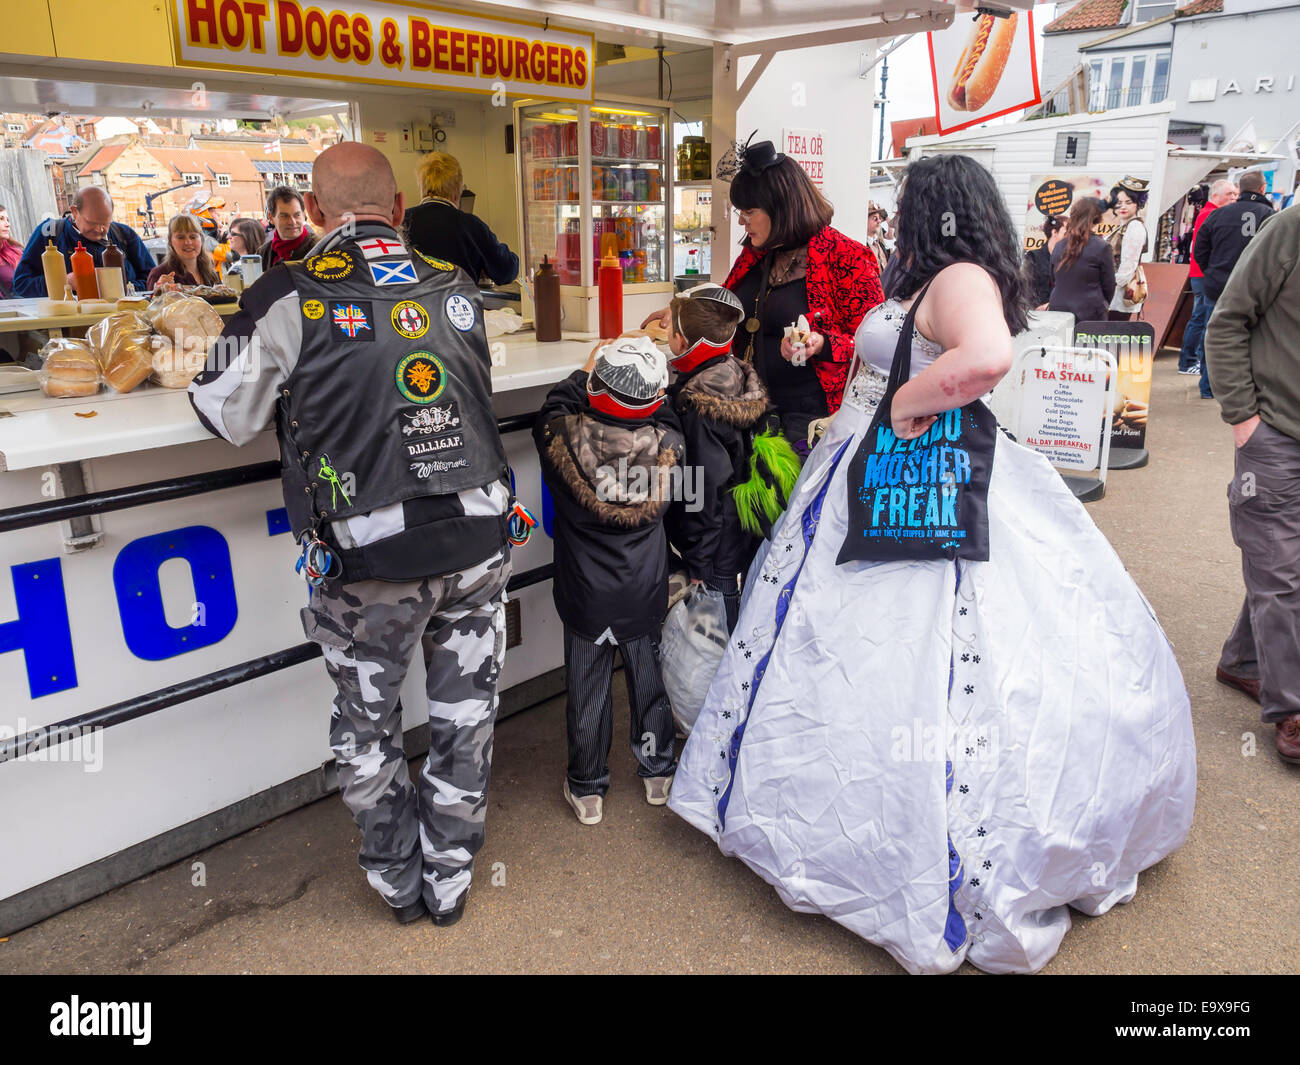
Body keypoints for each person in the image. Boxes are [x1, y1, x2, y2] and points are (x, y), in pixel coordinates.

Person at [668, 153, 1196, 975]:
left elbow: (986, 357)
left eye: (914, 202)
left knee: (922, 665)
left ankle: (917, 847)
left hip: (915, 481)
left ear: (939, 210)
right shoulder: (932, 277)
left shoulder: (957, 279)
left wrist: (902, 408)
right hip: (862, 473)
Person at [189, 142, 512, 927]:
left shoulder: (281, 293)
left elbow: (220, 410)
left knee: (368, 723)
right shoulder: (459, 285)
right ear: (398, 210)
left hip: (368, 559)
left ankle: (399, 881)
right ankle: (452, 876)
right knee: (465, 715)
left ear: (321, 214)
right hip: (479, 540)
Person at [644, 137, 882, 456]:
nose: (741, 221)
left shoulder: (848, 258)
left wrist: (821, 343)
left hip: (809, 421)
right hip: (747, 410)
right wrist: (681, 312)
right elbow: (726, 304)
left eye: (749, 211)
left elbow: (874, 347)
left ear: (781, 209)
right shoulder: (756, 253)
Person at [533, 336, 683, 825]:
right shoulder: (670, 445)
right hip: (643, 593)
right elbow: (670, 414)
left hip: (585, 595)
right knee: (649, 685)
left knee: (588, 689)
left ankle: (588, 787)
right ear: (656, 403)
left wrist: (590, 365)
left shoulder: (560, 433)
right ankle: (657, 771)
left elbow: (557, 399)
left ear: (595, 388)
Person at [1204, 204, 1300, 763]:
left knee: (1280, 566)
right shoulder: (1289, 229)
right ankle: (1291, 707)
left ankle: (1243, 660)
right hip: (1276, 436)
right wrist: (1243, 419)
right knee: (1281, 571)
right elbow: (1227, 320)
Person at [664, 284, 794, 630]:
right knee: (734, 597)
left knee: (716, 619)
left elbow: (703, 486)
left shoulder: (697, 406)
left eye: (671, 332)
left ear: (682, 342)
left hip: (714, 539)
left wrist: (698, 561)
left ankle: (721, 678)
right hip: (742, 521)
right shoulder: (734, 373)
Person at [1194, 170, 1275, 400]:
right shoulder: (1269, 215)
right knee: (1250, 338)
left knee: (1213, 333)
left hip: (1218, 284)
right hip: (1254, 287)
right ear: (1262, 189)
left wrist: (1211, 271)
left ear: (1240, 190)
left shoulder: (1218, 215)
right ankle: (1242, 390)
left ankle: (1207, 385)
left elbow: (1199, 248)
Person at [10, 187, 154, 297]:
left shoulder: (124, 234)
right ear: (74, 211)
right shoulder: (48, 234)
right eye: (92, 223)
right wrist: (64, 283)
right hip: (69, 325)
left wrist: (123, 288)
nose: (100, 229)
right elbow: (21, 284)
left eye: (106, 223)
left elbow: (152, 279)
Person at [404, 152, 518, 285]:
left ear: (421, 186)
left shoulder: (401, 222)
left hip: (411, 304)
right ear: (458, 188)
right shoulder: (471, 226)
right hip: (459, 303)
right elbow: (506, 271)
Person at [1177, 179, 1238, 376]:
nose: (1234, 198)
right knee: (1202, 319)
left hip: (1202, 274)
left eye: (1235, 194)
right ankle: (1190, 361)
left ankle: (1188, 361)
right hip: (1205, 275)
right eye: (1230, 194)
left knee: (1200, 318)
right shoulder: (1211, 214)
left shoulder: (1207, 213)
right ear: (1215, 196)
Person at [1048, 199, 1115, 324]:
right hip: (1090, 313)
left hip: (1058, 310)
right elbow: (1109, 285)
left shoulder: (1059, 246)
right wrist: (1102, 304)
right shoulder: (1102, 247)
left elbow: (1053, 278)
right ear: (1097, 219)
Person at [1106, 177, 1150, 322]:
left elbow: (1127, 268)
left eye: (1128, 202)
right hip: (1113, 297)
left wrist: (1106, 291)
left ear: (1138, 204)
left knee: (1109, 340)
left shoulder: (1134, 227)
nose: (1123, 207)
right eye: (1119, 203)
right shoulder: (1124, 226)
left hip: (1117, 298)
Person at [147, 214, 221, 289]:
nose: (188, 242)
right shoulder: (159, 274)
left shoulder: (209, 270)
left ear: (201, 239)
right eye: (181, 237)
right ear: (170, 241)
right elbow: (150, 299)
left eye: (193, 237)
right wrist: (159, 293)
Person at [260, 186, 316, 270]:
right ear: (271, 218)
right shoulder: (263, 254)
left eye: (297, 215)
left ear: (304, 215)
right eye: (284, 216)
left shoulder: (319, 249)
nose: (292, 222)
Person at [1024, 213, 1065, 310]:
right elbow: (1025, 289)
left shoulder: (1069, 261)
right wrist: (1035, 308)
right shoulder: (1033, 257)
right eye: (1066, 233)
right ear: (1054, 233)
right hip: (1036, 315)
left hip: (1061, 315)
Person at [0, 205, 24, 299]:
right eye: (1, 219)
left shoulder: (17, 252)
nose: (7, 224)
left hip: (27, 308)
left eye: (7, 220)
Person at [865, 201, 891, 274]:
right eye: (875, 218)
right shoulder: (862, 246)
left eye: (879, 218)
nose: (879, 221)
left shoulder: (880, 244)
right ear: (865, 221)